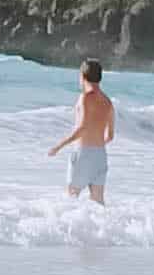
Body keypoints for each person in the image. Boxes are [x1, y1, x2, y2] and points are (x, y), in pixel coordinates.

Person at [46, 59, 115, 205]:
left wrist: (58, 146)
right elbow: (110, 136)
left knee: (71, 199)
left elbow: (82, 127)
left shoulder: (85, 98)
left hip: (83, 153)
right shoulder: (108, 102)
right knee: (98, 204)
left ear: (82, 76)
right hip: (100, 156)